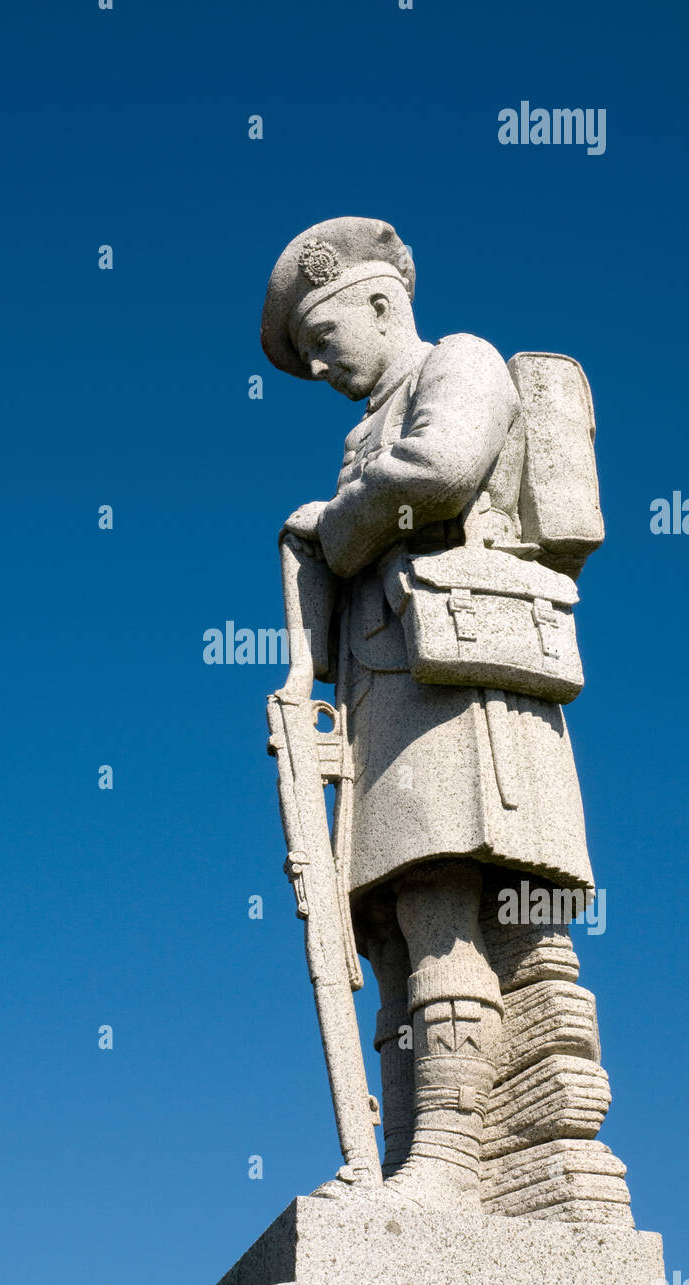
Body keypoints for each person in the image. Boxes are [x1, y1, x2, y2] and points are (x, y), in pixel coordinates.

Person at [261, 217, 598, 1211]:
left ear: (381, 303)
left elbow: (440, 472)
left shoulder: (460, 362)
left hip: (462, 701)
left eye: (325, 339)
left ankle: (454, 1163)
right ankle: (414, 1153)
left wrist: (333, 524)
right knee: (402, 932)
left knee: (448, 912)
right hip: (389, 712)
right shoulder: (361, 429)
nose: (320, 365)